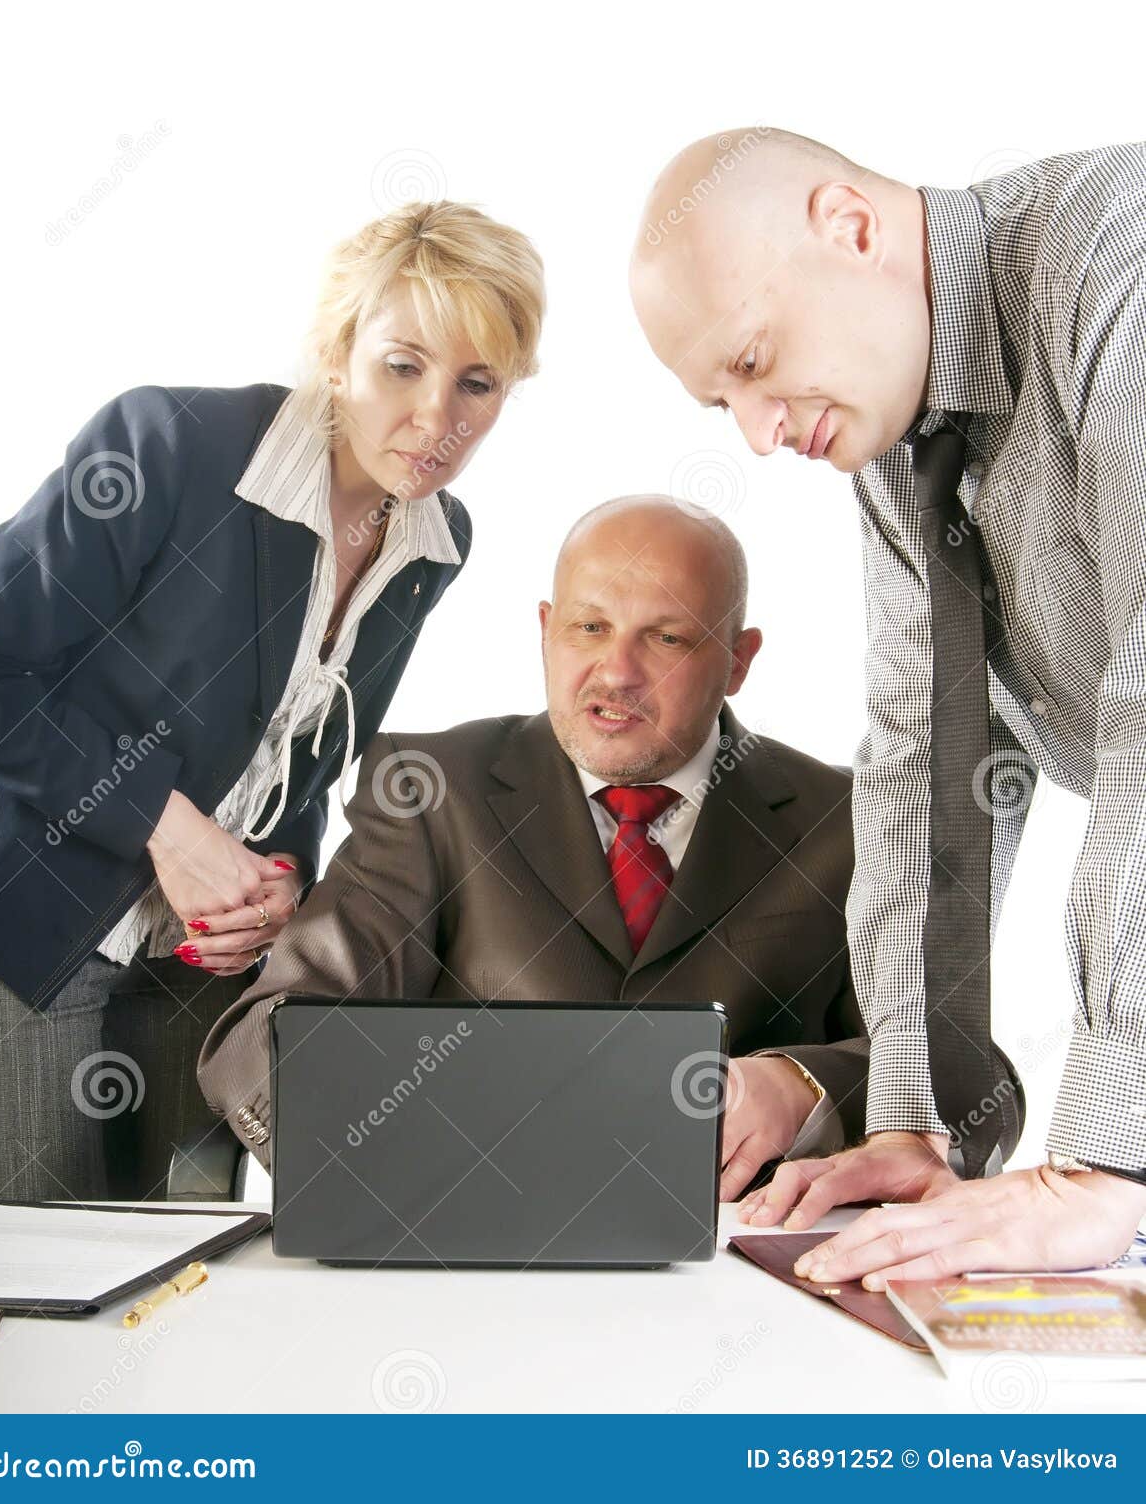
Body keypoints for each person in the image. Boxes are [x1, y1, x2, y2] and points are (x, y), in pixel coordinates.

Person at [629, 128, 1146, 1279]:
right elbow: (931, 762)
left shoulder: (1121, 262)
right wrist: (920, 1115)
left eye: (755, 360)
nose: (762, 436)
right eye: (726, 405)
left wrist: (1111, 1160)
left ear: (851, 229)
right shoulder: (900, 451)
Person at [198, 496, 1023, 1193]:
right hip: (477, 1273)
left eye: (667, 638)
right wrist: (438, 1153)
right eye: (590, 627)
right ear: (548, 630)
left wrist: (808, 1087)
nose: (616, 670)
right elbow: (263, 1041)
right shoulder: (430, 790)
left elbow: (981, 1080)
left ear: (738, 661)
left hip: (748, 1283)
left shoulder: (851, 818)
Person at [0, 199, 545, 1202]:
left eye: (477, 384)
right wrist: (165, 826)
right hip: (29, 928)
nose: (436, 421)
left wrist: (287, 882)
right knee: (44, 1276)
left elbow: (300, 752)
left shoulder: (434, 538)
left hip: (208, 964)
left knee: (185, 1267)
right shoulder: (168, 445)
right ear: (335, 353)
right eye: (402, 365)